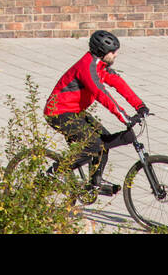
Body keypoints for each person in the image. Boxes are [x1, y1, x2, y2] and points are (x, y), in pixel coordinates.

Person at [44, 30, 150, 196]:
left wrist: (140, 106)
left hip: (75, 111)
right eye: (113, 51)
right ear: (102, 52)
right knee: (93, 146)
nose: (116, 54)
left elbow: (119, 83)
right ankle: (52, 173)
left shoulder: (101, 66)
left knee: (104, 141)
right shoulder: (88, 67)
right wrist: (125, 118)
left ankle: (95, 183)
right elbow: (101, 94)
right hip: (58, 112)